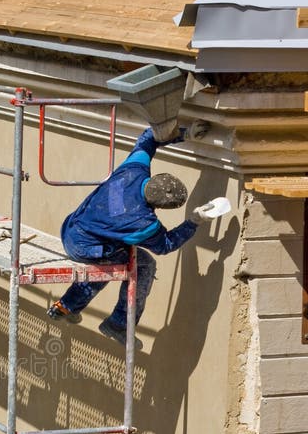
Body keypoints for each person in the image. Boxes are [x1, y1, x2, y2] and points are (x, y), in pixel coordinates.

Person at [47, 127, 214, 347]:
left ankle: (67, 307)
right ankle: (119, 324)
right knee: (141, 265)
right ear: (160, 207)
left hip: (72, 228)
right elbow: (164, 245)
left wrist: (185, 133)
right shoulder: (143, 223)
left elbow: (148, 137)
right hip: (85, 247)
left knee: (112, 262)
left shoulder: (134, 169)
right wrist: (194, 221)